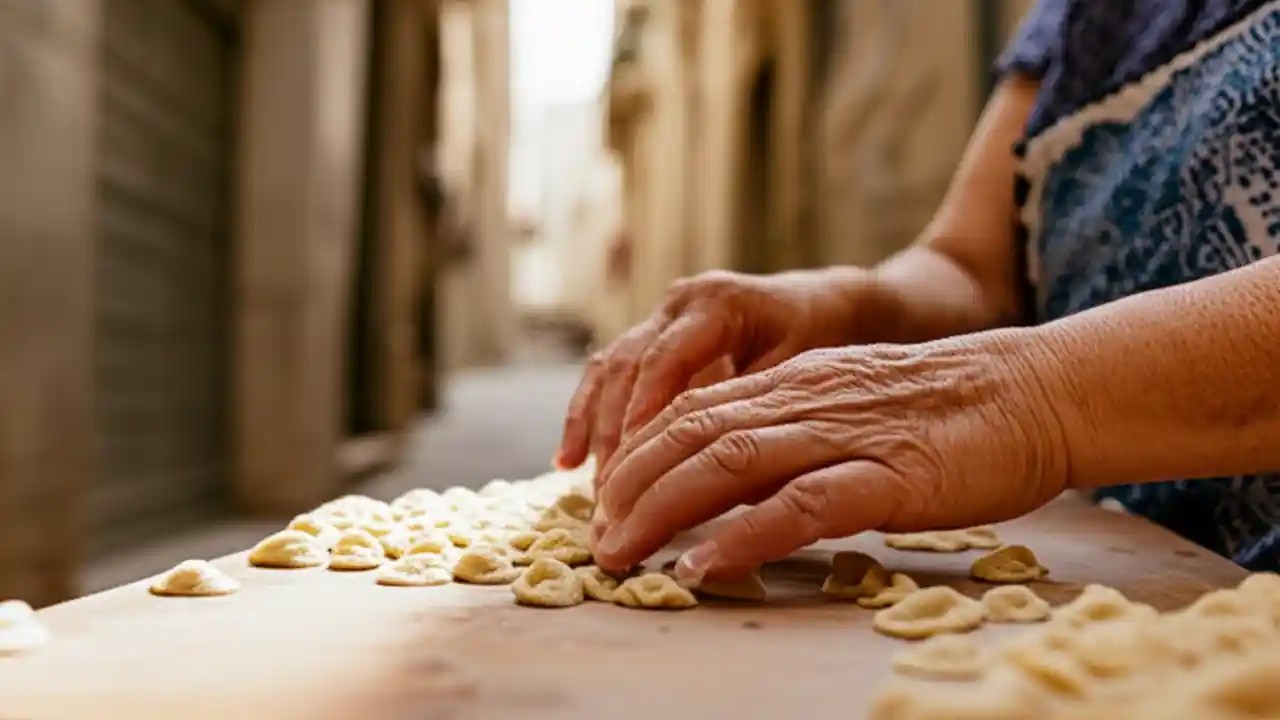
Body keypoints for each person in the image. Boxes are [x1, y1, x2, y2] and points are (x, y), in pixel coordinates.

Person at [557, 0, 1280, 584]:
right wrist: (848, 306)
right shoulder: (1084, 16)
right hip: (1134, 583)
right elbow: (976, 266)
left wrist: (1031, 398)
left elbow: (1023, 384)